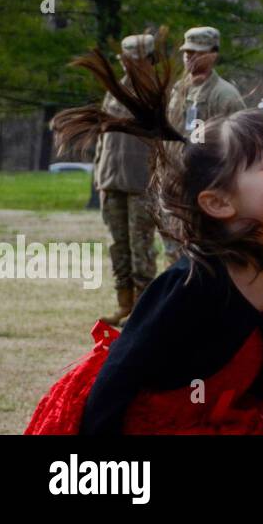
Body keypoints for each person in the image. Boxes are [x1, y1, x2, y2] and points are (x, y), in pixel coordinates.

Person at [27, 45, 263, 435]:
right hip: (135, 422)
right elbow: (119, 375)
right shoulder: (189, 285)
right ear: (218, 202)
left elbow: (258, 370)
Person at [163, 26, 245, 264]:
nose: (190, 57)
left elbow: (239, 145)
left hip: (208, 185)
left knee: (207, 249)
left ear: (213, 54)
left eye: (197, 52)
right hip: (176, 181)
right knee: (175, 249)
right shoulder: (179, 90)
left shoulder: (226, 95)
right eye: (187, 52)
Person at [93, 33, 159, 325]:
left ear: (148, 60)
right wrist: (100, 172)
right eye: (125, 60)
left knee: (140, 245)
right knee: (117, 244)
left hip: (140, 182)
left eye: (134, 60)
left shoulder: (157, 92)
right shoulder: (115, 89)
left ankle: (143, 309)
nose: (128, 65)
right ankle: (124, 302)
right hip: (112, 179)